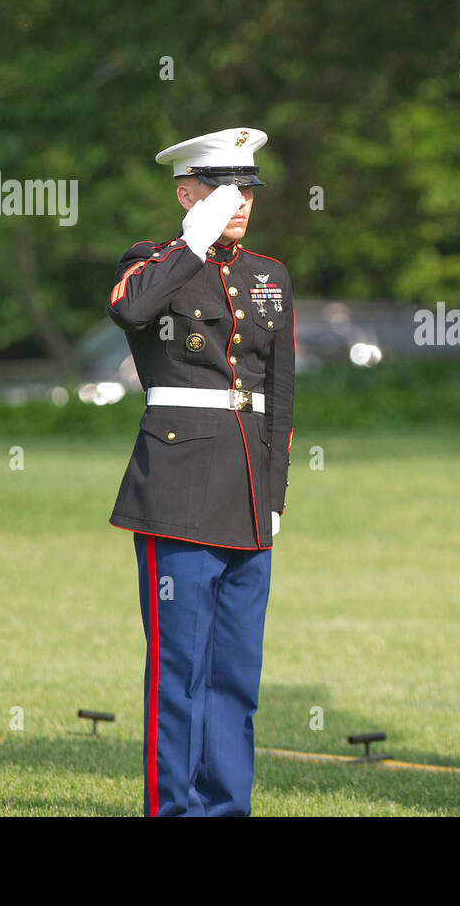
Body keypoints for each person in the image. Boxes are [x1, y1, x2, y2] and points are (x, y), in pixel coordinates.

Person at [106, 127, 294, 815]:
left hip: (247, 491)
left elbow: (281, 396)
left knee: (236, 673)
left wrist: (272, 494)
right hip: (178, 487)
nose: (238, 200)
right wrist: (191, 240)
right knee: (179, 670)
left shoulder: (270, 275)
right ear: (187, 193)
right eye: (220, 187)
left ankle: (224, 807)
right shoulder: (152, 260)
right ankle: (174, 809)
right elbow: (130, 307)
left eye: (245, 188)